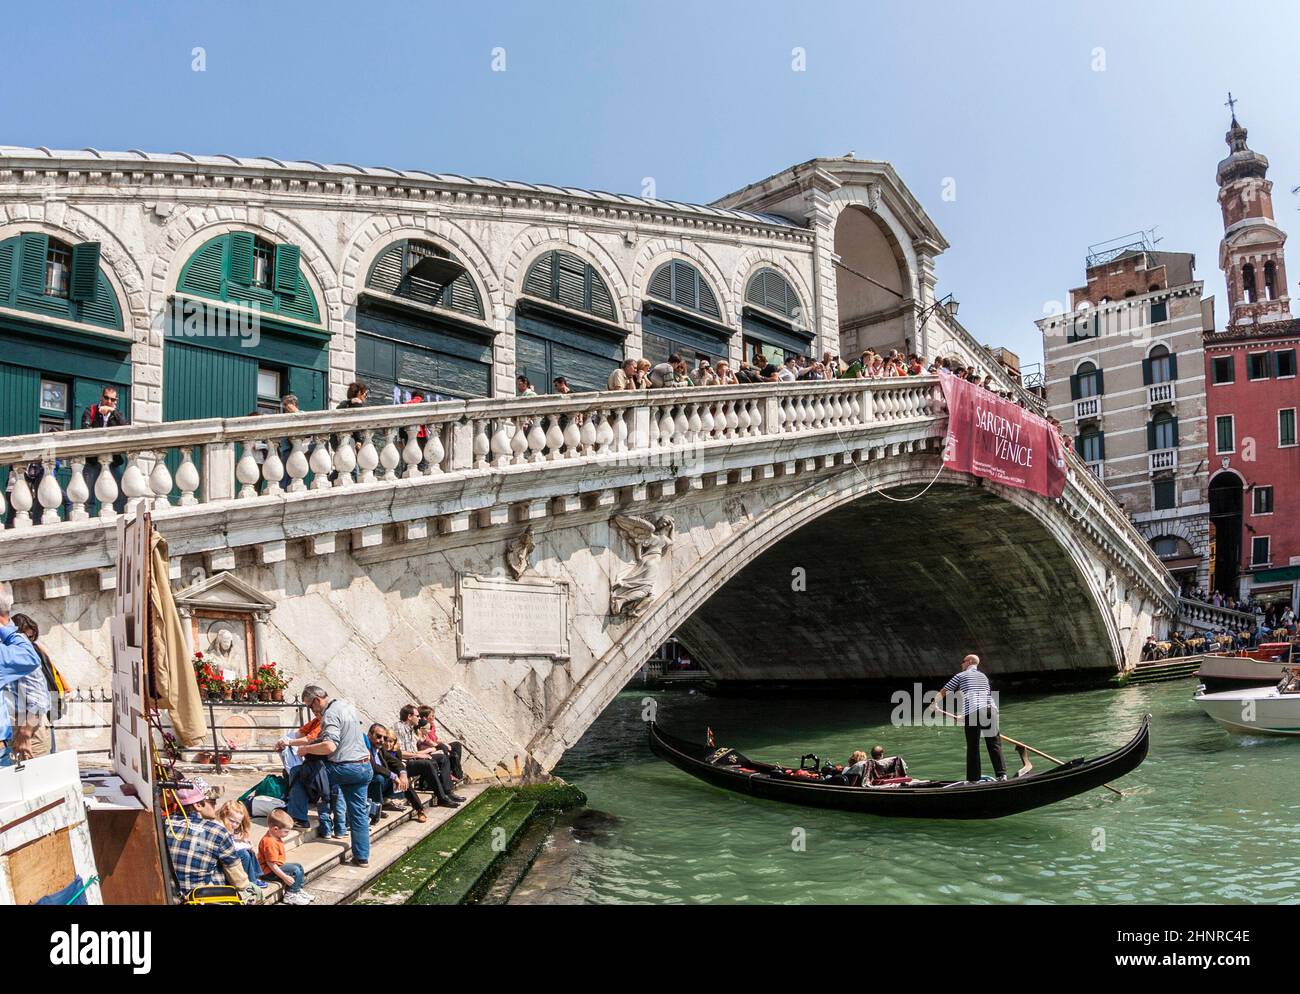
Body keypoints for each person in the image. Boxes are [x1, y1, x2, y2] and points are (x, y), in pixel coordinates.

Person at [294, 685, 374, 867]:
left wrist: (305, 749)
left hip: (345, 768)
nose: (311, 710)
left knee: (302, 775)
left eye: (309, 706)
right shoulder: (347, 706)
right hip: (363, 767)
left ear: (316, 700)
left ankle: (299, 817)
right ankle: (362, 857)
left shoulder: (329, 714)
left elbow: (330, 746)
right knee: (359, 813)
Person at [164, 784, 258, 901]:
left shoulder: (164, 823)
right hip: (202, 897)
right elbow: (239, 881)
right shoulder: (217, 831)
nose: (216, 806)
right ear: (198, 805)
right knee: (253, 893)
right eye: (212, 802)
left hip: (169, 894)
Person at [933, 653, 1006, 782]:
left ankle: (973, 779)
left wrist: (933, 703)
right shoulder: (983, 676)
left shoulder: (961, 675)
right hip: (991, 710)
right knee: (994, 743)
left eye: (963, 661)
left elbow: (946, 690)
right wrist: (964, 714)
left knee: (973, 746)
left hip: (973, 712)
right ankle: (1001, 775)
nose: (961, 664)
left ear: (970, 661)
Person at [275, 711, 349, 839]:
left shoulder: (329, 723)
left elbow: (311, 740)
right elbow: (300, 734)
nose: (313, 711)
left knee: (301, 775)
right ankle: (339, 829)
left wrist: (295, 745)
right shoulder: (317, 721)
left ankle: (304, 819)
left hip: (326, 765)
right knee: (331, 794)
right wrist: (285, 741)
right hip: (333, 767)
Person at [0, 585, 41, 767]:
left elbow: (40, 698)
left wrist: (26, 731)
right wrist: (5, 626)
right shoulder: (11, 651)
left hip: (27, 728)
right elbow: (29, 657)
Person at [394, 705, 463, 806]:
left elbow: (418, 744)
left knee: (443, 758)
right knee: (427, 764)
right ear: (409, 716)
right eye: (417, 716)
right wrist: (419, 754)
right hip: (405, 763)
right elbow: (399, 753)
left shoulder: (410, 729)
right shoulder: (399, 728)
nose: (419, 718)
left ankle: (448, 792)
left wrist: (426, 751)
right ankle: (442, 798)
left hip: (415, 757)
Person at [367, 724, 427, 823]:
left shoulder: (380, 749)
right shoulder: (365, 747)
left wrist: (403, 775)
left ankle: (419, 809)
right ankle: (377, 809)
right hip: (370, 785)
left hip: (383, 785)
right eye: (378, 736)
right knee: (379, 778)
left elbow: (396, 762)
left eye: (384, 737)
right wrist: (393, 776)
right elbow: (374, 767)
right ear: (369, 735)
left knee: (403, 779)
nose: (382, 740)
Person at [259, 809, 313, 904]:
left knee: (298, 866)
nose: (287, 834)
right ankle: (290, 894)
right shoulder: (270, 842)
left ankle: (297, 890)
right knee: (295, 870)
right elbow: (271, 864)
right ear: (275, 829)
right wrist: (284, 877)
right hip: (268, 872)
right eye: (286, 831)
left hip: (274, 867)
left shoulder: (275, 836)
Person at [217, 800, 267, 889]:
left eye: (238, 823)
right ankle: (251, 881)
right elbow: (230, 847)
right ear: (224, 815)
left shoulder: (229, 828)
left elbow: (231, 843)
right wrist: (244, 845)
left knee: (249, 852)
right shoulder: (221, 828)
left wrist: (243, 843)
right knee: (244, 854)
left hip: (227, 854)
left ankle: (255, 876)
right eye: (232, 820)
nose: (234, 825)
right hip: (222, 860)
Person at [416, 704, 465, 783]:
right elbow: (429, 742)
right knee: (452, 754)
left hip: (435, 746)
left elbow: (436, 739)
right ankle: (455, 775)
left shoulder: (432, 725)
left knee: (457, 745)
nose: (434, 717)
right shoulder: (423, 728)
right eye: (432, 716)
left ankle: (455, 772)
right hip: (430, 749)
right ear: (425, 718)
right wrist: (443, 746)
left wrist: (444, 743)